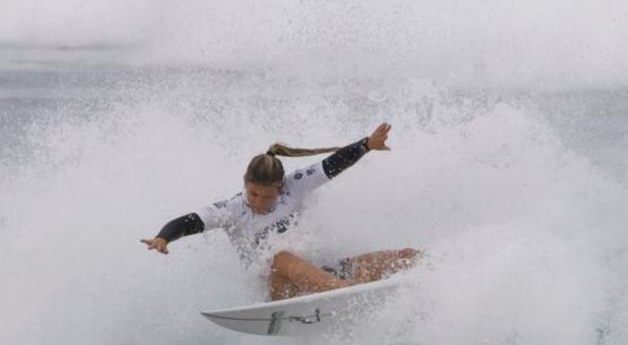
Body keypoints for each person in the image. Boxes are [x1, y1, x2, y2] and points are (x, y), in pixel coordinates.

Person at [141, 122, 420, 301]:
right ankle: (344, 294)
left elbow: (333, 164)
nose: (259, 202)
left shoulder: (295, 186)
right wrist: (163, 237)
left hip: (320, 276)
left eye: (267, 195)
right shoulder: (230, 210)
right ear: (244, 182)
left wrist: (366, 145)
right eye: (253, 194)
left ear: (280, 186)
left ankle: (442, 273)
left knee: (405, 257)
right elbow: (189, 222)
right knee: (282, 259)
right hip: (276, 289)